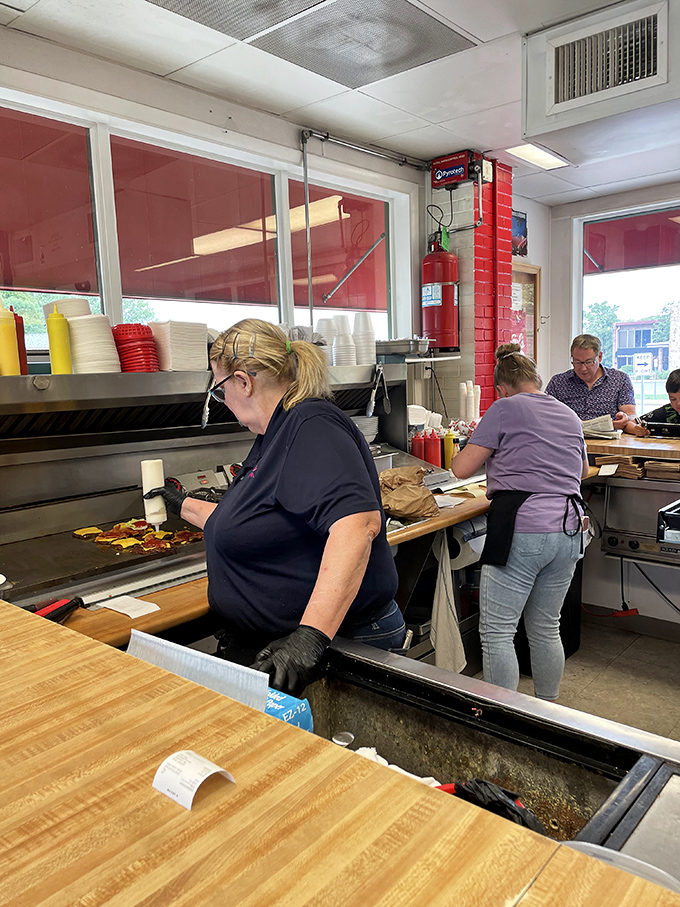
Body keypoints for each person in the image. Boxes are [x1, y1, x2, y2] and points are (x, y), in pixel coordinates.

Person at [145, 319, 403, 696]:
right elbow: (254, 520)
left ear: (243, 382)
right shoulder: (274, 433)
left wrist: (311, 637)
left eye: (219, 390)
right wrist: (183, 505)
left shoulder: (311, 424)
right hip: (277, 644)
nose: (222, 401)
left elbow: (356, 526)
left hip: (339, 645)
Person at [450, 343, 589, 701]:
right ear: (536, 380)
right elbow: (582, 471)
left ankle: (504, 719)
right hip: (569, 529)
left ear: (502, 388)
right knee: (545, 627)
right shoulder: (568, 414)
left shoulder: (504, 408)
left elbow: (461, 469)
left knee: (497, 633)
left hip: (524, 529)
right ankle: (546, 712)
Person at [545, 334, 648, 437]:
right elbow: (545, 415)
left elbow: (630, 415)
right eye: (577, 362)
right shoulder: (558, 382)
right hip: (568, 440)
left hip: (609, 442)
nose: (583, 368)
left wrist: (627, 420)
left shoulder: (620, 380)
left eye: (589, 362)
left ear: (599, 357)